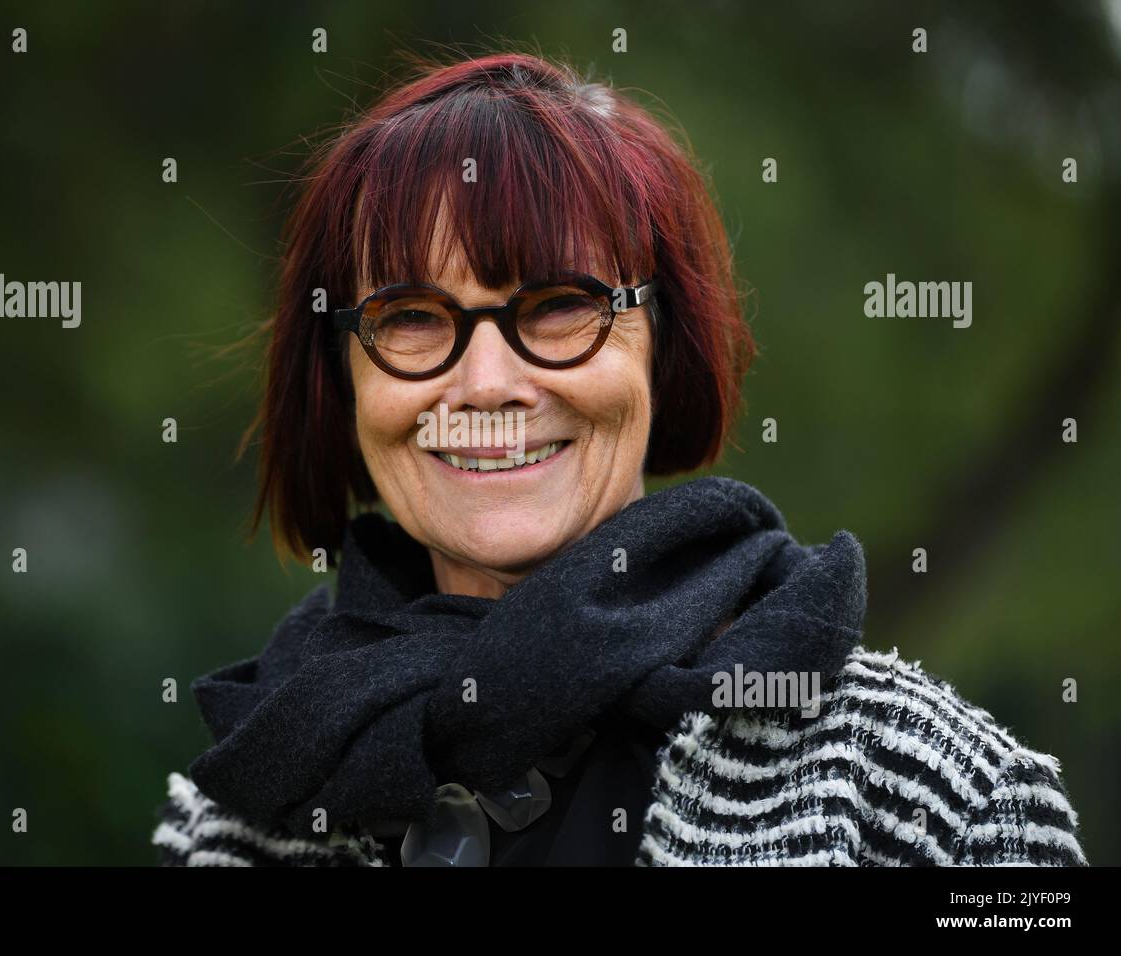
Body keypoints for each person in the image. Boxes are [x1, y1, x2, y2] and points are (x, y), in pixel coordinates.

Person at [152, 51, 1086, 867]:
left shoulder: (933, 797)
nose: (486, 384)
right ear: (343, 383)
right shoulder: (240, 807)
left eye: (559, 304)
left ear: (663, 347)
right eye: (410, 318)